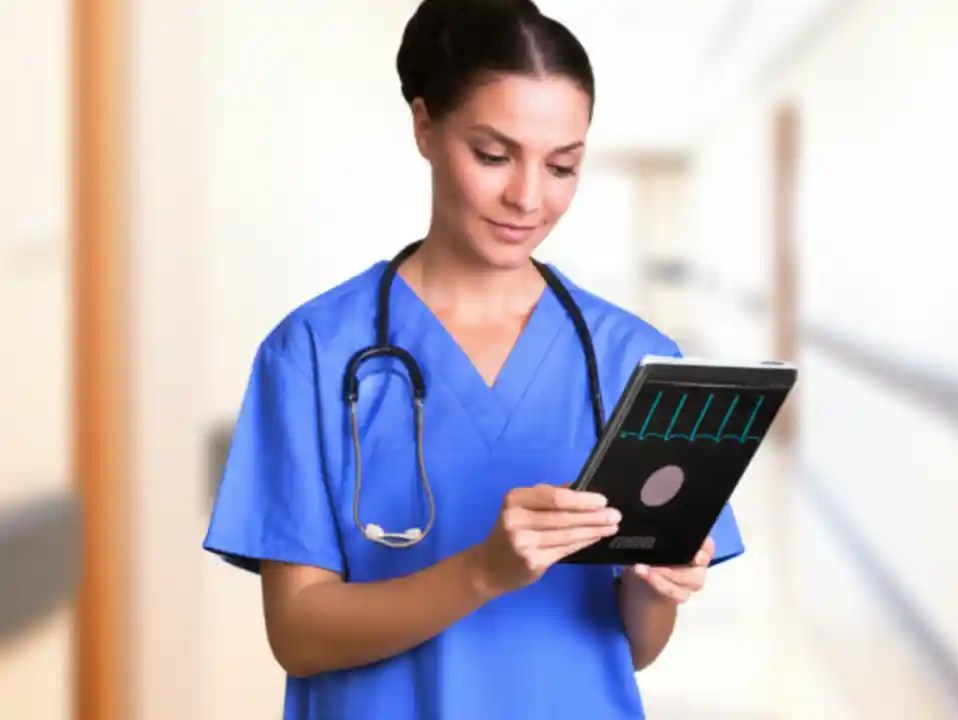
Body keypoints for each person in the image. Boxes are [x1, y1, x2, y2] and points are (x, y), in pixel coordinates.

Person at [201, 1, 744, 718]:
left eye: (562, 166)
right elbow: (298, 633)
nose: (527, 197)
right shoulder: (313, 353)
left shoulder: (634, 359)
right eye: (493, 155)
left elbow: (633, 646)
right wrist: (483, 572)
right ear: (425, 126)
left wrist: (654, 587)